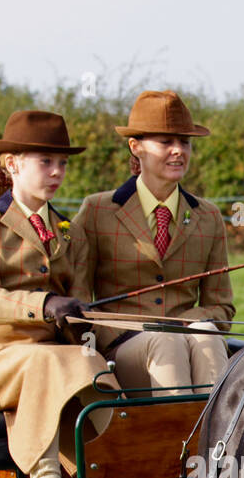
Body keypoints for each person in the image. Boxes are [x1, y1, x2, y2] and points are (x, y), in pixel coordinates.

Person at [0, 110, 114, 478]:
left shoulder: (68, 233)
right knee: (47, 361)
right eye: (46, 162)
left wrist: (80, 317)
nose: (56, 172)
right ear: (12, 164)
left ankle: (112, 468)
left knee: (93, 363)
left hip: (50, 360)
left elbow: (76, 306)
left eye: (62, 163)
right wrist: (44, 303)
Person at [70, 90, 233, 394]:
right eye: (165, 142)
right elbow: (79, 303)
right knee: (166, 340)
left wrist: (192, 318)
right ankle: (180, 437)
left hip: (189, 341)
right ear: (136, 147)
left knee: (207, 334)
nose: (178, 151)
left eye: (184, 142)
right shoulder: (97, 211)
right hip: (119, 353)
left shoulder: (209, 216)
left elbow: (221, 306)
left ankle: (214, 439)